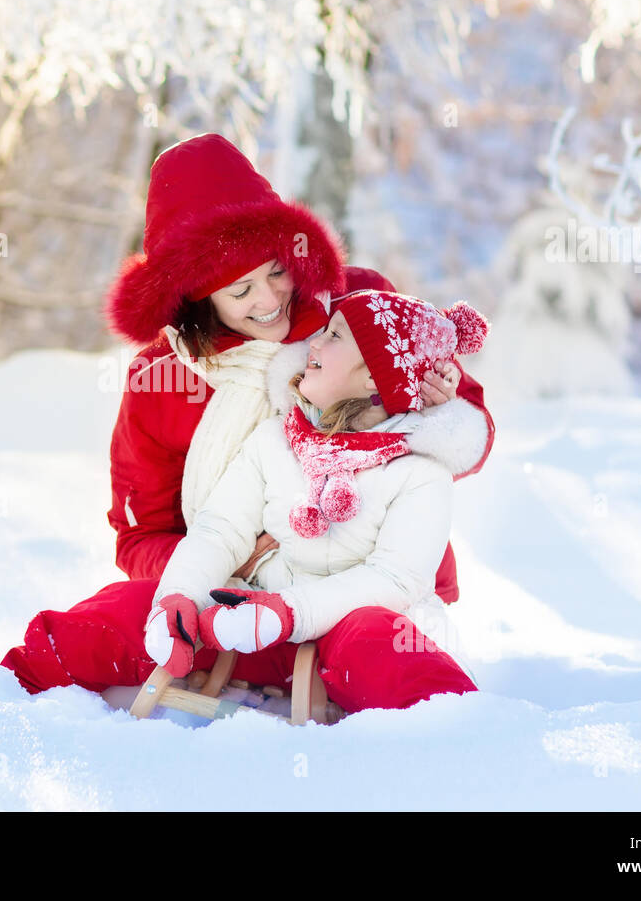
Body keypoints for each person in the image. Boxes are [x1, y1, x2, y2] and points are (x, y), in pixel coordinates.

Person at [0, 132, 494, 700]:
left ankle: (469, 742)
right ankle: (0, 702)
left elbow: (463, 439)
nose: (269, 300)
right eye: (240, 289)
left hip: (367, 594)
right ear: (195, 298)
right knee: (107, 618)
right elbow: (140, 536)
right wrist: (224, 569)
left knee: (382, 649)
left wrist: (445, 402)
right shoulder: (160, 381)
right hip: (233, 607)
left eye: (277, 272)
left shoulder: (356, 311)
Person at [143, 290, 488, 712]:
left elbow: (396, 579)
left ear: (374, 376)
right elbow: (219, 529)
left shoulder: (419, 473)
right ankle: (45, 675)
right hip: (253, 631)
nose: (314, 343)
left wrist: (289, 613)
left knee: (382, 639)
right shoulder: (274, 439)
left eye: (335, 335)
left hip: (343, 638)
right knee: (133, 603)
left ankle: (465, 733)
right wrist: (180, 596)